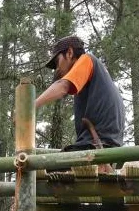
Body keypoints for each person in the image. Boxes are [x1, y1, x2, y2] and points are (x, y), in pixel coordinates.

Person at [35, 35, 127, 173]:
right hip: (102, 146)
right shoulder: (96, 79)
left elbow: (63, 87)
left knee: (36, 170)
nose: (57, 69)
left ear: (70, 53)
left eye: (57, 62)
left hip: (96, 147)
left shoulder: (87, 60)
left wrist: (29, 106)